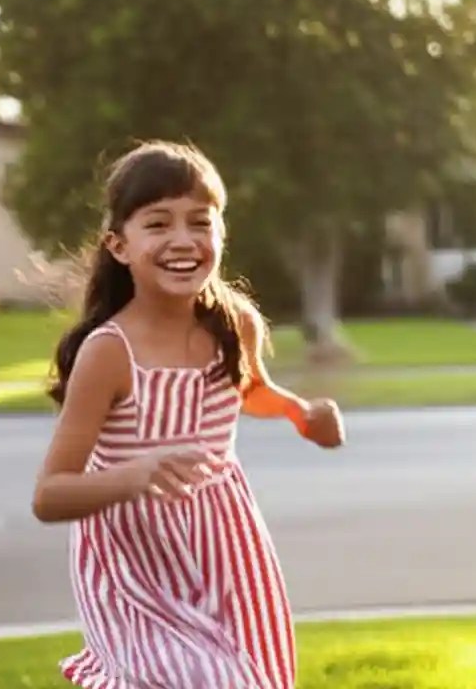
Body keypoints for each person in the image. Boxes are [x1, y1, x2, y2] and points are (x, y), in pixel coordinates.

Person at [30, 140, 344, 688]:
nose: (183, 239)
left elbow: (250, 390)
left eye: (200, 222)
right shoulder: (109, 351)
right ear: (119, 245)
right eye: (157, 224)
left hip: (227, 547)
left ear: (222, 234)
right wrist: (135, 475)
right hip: (138, 564)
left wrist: (302, 414)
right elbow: (50, 494)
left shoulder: (234, 323)